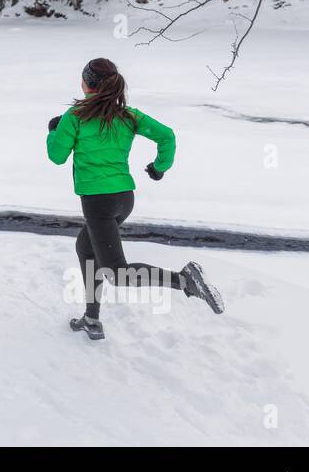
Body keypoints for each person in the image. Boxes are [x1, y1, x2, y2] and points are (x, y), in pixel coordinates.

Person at [46, 57, 224, 340]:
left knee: (117, 274)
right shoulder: (129, 116)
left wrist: (54, 130)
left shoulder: (75, 118)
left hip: (98, 203)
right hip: (123, 200)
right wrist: (159, 167)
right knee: (85, 248)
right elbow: (167, 136)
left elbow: (56, 156)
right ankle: (92, 319)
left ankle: (185, 281)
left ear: (87, 85)